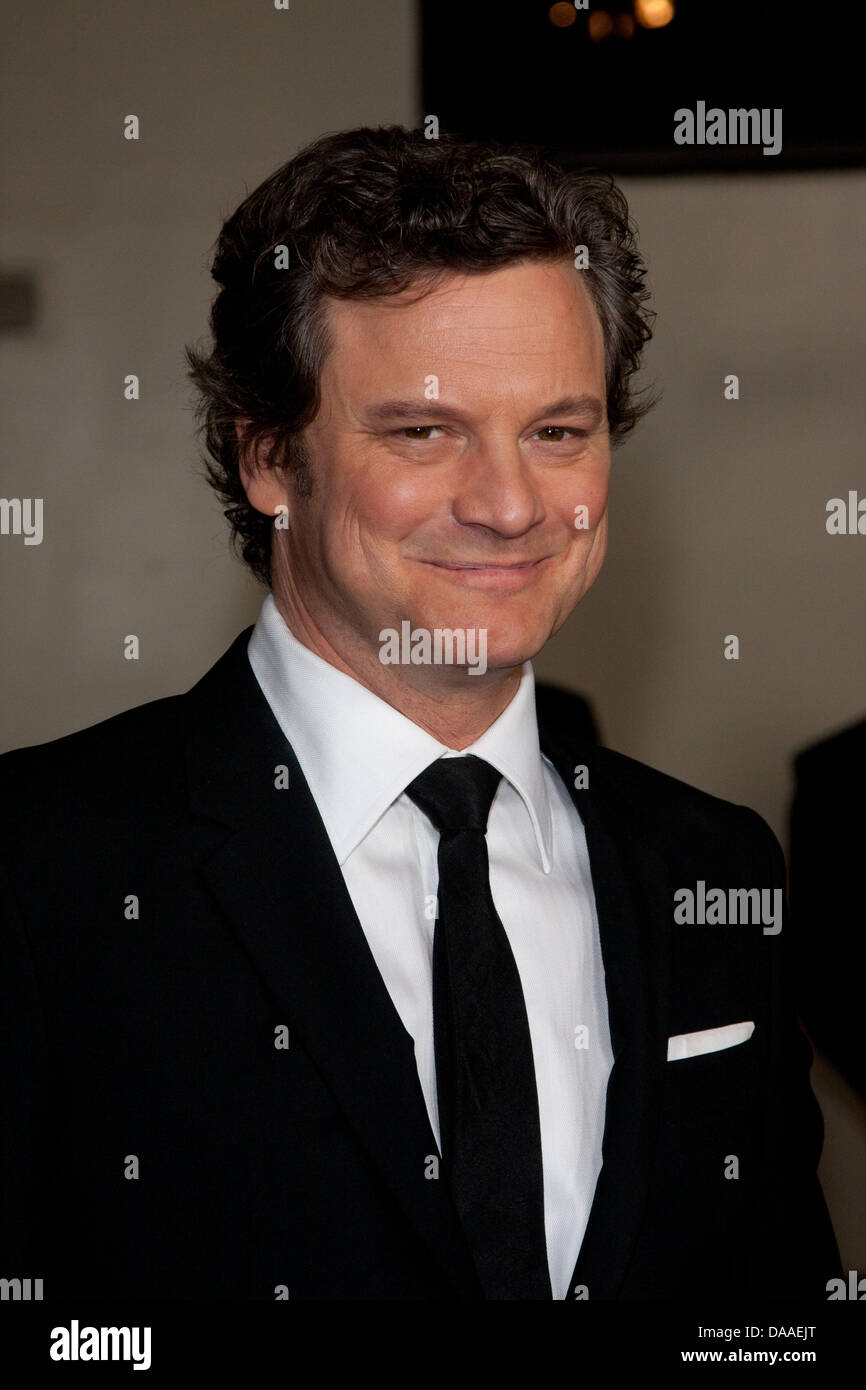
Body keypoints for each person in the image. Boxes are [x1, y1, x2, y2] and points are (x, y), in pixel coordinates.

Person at [0, 125, 841, 1300]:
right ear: (266, 459)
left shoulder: (707, 867)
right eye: (421, 431)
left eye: (557, 431)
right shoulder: (41, 871)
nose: (508, 504)